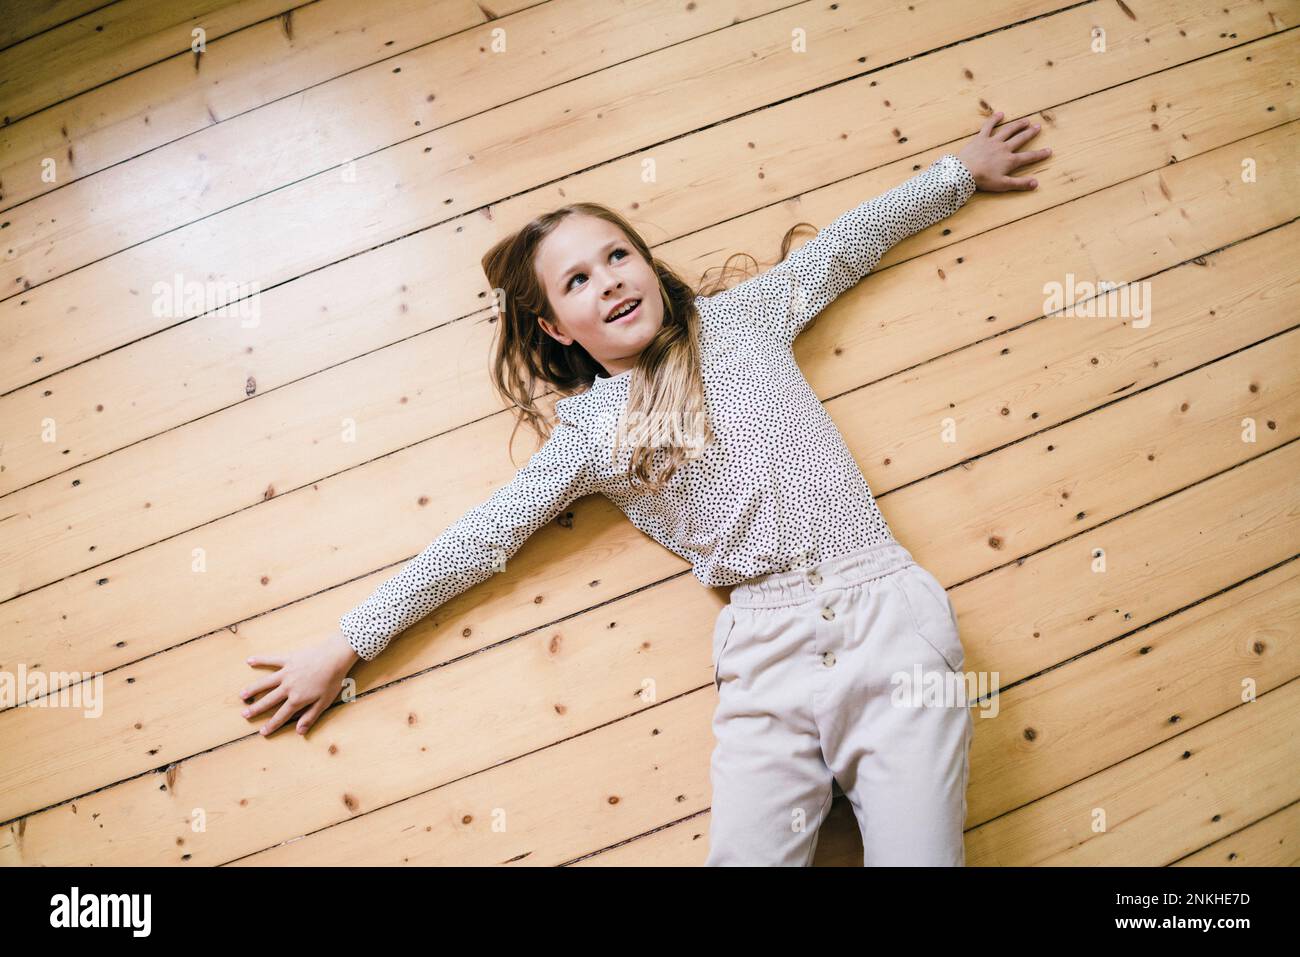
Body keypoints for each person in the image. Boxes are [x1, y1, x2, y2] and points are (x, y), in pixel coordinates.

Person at [238, 111, 1050, 865]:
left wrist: (958, 173)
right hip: (766, 657)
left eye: (618, 256)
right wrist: (347, 640)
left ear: (648, 265)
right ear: (556, 326)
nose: (610, 282)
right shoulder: (590, 433)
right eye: (578, 281)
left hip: (882, 617)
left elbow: (841, 247)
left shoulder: (742, 319)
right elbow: (484, 536)